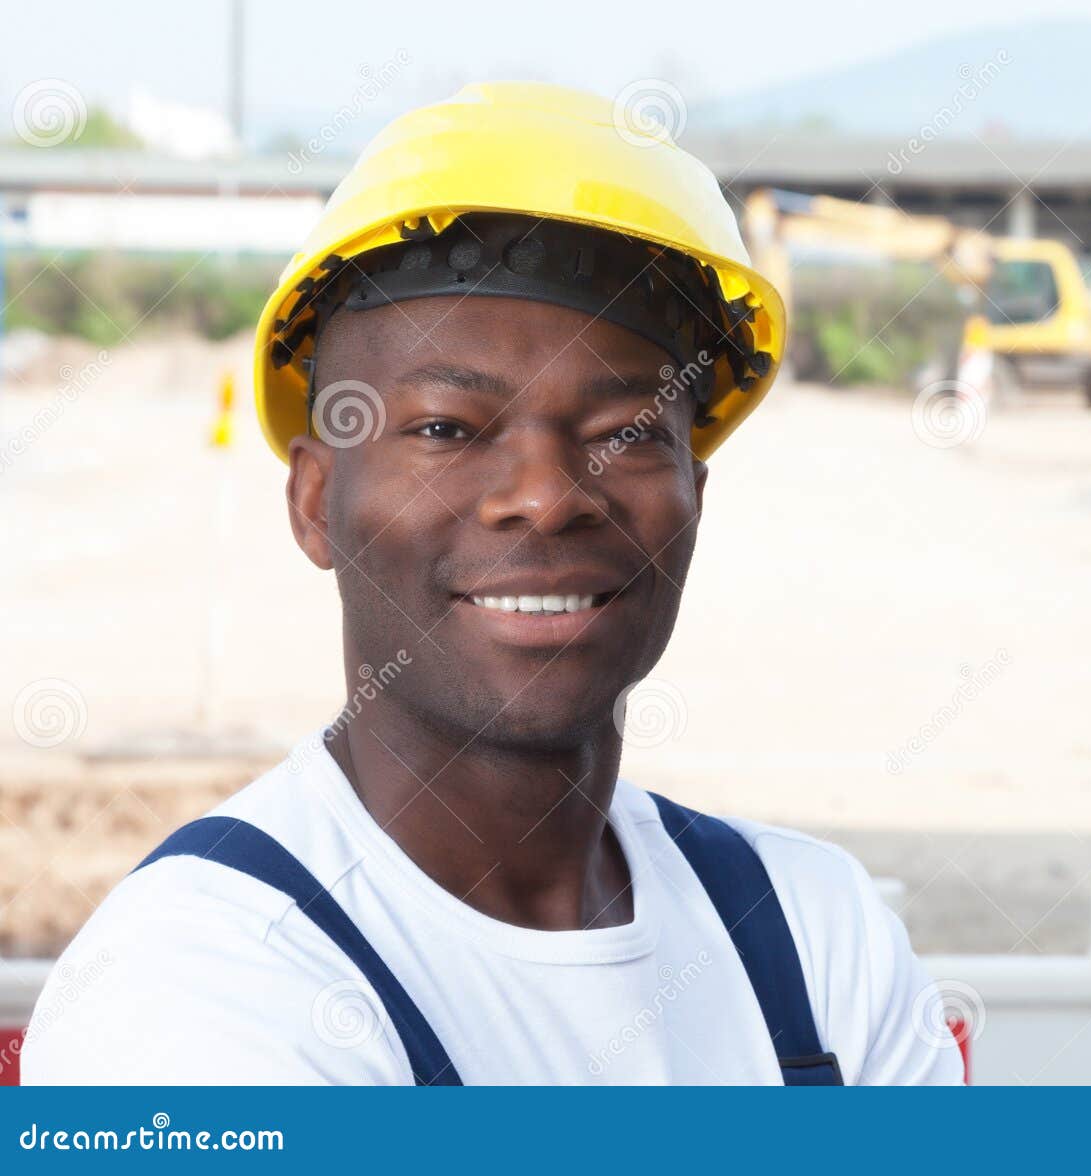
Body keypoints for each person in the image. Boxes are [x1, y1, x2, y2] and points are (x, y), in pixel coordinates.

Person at [22, 83, 963, 1086]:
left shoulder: (813, 943)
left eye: (627, 434)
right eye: (444, 430)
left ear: (696, 493)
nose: (547, 497)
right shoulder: (197, 987)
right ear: (316, 502)